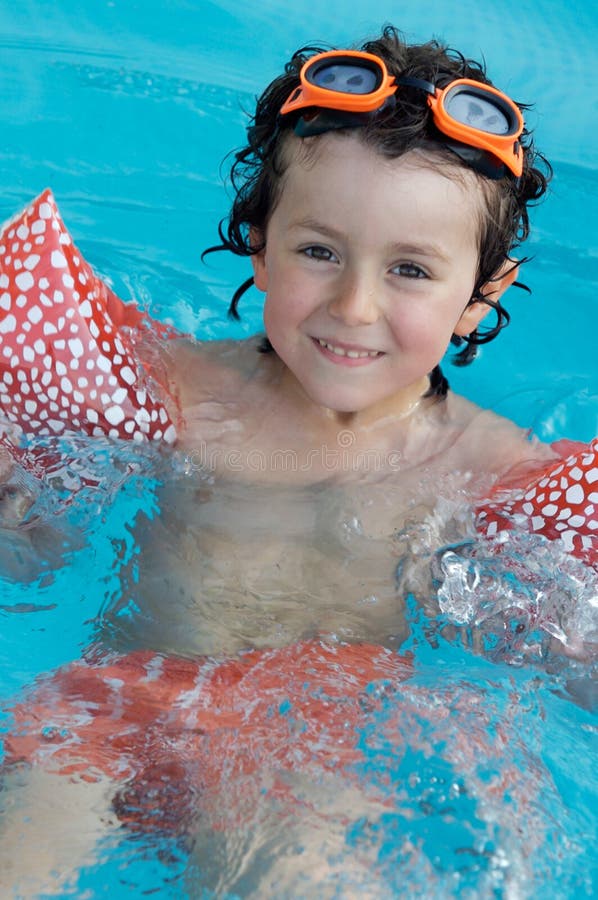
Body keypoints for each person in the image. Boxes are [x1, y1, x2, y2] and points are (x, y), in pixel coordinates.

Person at [1, 25, 594, 897]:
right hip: (115, 702)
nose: (354, 306)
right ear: (257, 243)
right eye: (319, 251)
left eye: (410, 270)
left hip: (310, 743)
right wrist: (25, 513)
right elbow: (34, 551)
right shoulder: (164, 390)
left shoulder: (493, 474)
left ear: (481, 295)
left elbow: (567, 658)